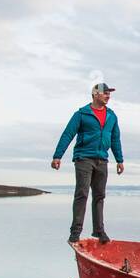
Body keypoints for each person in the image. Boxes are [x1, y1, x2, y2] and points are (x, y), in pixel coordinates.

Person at [52, 82, 124, 244]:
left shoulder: (111, 116)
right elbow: (68, 134)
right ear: (95, 94)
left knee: (99, 196)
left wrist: (119, 160)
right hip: (84, 158)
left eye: (109, 93)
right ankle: (75, 231)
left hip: (102, 160)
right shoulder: (82, 114)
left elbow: (115, 139)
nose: (108, 96)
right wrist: (58, 156)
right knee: (82, 193)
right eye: (105, 93)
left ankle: (99, 230)